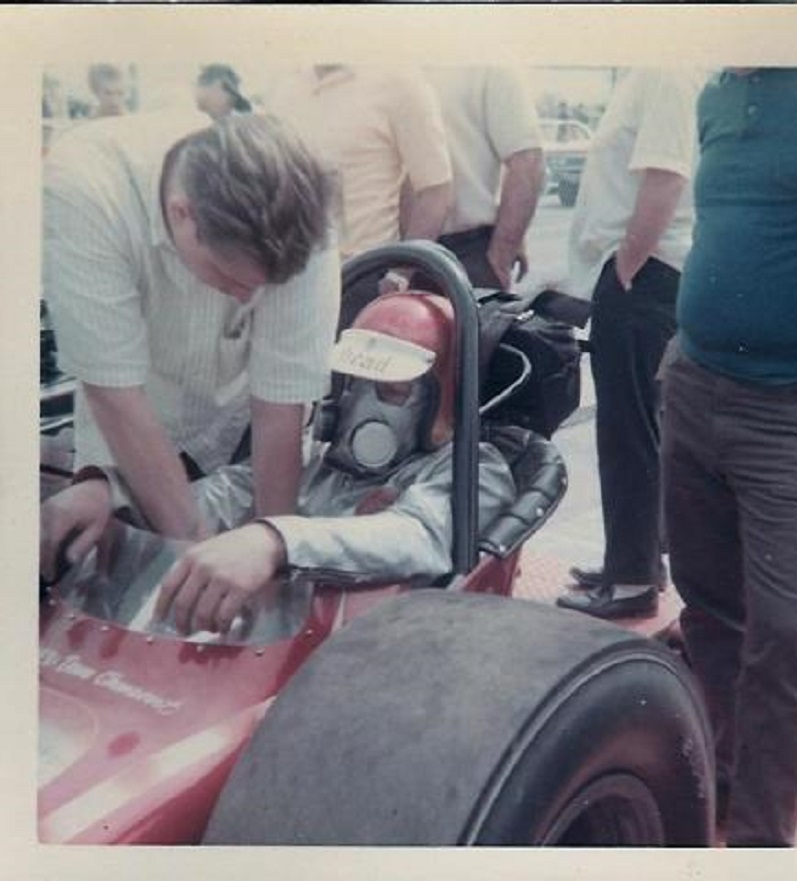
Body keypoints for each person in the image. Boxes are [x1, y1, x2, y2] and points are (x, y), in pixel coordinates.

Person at [40, 292, 517, 637]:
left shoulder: (474, 469)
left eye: (393, 389)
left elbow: (419, 536)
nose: (366, 404)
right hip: (280, 642)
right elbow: (229, 491)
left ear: (443, 397)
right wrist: (113, 495)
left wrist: (273, 539)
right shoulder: (322, 459)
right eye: (356, 382)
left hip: (385, 652)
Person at [42, 111, 341, 570]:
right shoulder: (84, 189)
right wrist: (199, 554)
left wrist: (271, 548)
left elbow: (280, 406)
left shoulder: (302, 212)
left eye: (266, 286)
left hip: (237, 428)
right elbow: (115, 394)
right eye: (231, 280)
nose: (251, 298)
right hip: (130, 429)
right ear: (182, 214)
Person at [660, 68, 797, 847]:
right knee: (707, 605)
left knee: (789, 632)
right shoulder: (717, 93)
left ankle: (764, 847)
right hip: (694, 381)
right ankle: (723, 773)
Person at [557, 67, 707, 620]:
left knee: (630, 431)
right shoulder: (651, 70)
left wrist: (627, 263)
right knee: (633, 427)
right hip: (640, 277)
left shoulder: (666, 71)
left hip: (645, 278)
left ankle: (631, 581)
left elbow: (665, 178)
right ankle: (634, 561)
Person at [264, 65, 453, 327]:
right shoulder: (285, 86)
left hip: (362, 280)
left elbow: (435, 191)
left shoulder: (400, 81)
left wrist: (399, 275)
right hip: (289, 280)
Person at [422, 66, 545, 291]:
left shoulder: (489, 64)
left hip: (463, 254)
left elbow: (527, 160)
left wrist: (502, 253)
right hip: (380, 254)